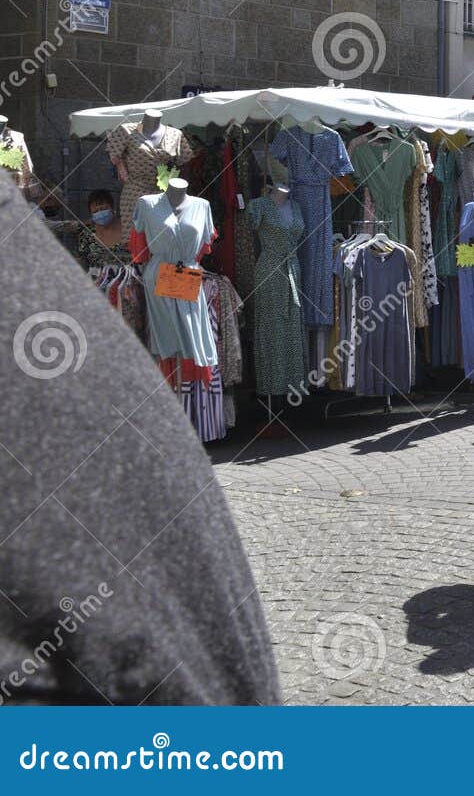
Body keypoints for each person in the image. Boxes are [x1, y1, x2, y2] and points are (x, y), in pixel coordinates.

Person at [0, 176, 280, 703]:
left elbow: (204, 244)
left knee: (199, 353)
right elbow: (138, 249)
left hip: (189, 282)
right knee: (168, 356)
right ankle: (192, 421)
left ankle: (206, 426)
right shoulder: (146, 206)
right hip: (158, 281)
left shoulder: (199, 206)